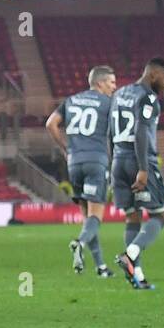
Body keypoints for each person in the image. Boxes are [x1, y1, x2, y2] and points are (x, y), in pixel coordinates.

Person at [46, 65, 116, 277]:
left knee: (87, 217)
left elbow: (51, 124)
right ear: (100, 82)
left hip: (74, 163)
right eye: (112, 82)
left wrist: (65, 148)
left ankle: (101, 267)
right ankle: (80, 243)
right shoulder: (108, 103)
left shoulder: (72, 100)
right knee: (96, 215)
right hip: (96, 161)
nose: (114, 86)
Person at [112, 58, 164, 290]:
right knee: (160, 216)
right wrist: (143, 169)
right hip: (139, 159)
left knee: (133, 217)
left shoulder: (119, 94)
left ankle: (137, 275)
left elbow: (110, 130)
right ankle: (130, 254)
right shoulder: (148, 97)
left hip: (118, 160)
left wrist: (114, 162)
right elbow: (140, 130)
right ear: (153, 74)